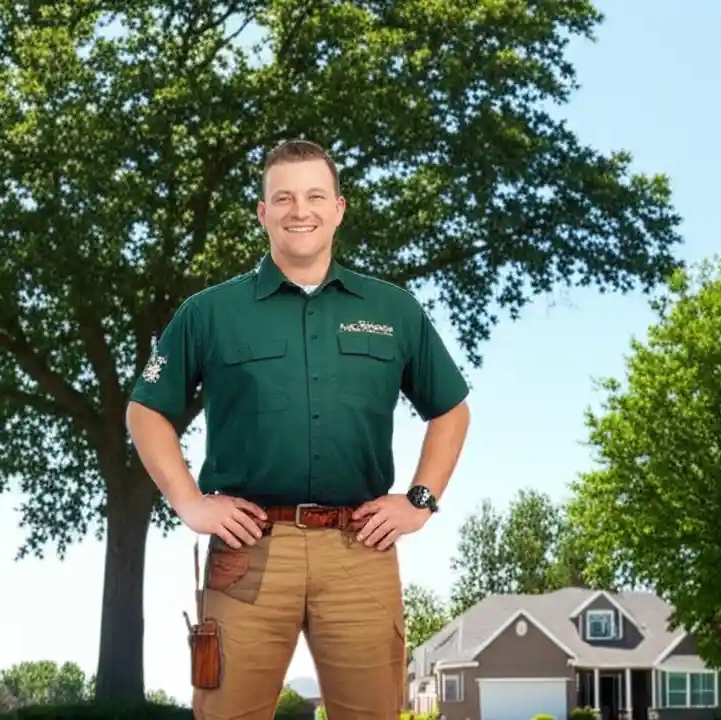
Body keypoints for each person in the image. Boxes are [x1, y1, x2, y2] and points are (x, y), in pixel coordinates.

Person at [125, 139, 471, 719]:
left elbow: (451, 409)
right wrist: (188, 503)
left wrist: (419, 500)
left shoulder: (394, 311)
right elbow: (146, 410)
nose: (298, 210)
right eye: (282, 197)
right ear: (262, 212)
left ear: (339, 207)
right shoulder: (209, 313)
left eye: (314, 195)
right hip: (247, 552)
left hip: (360, 549)